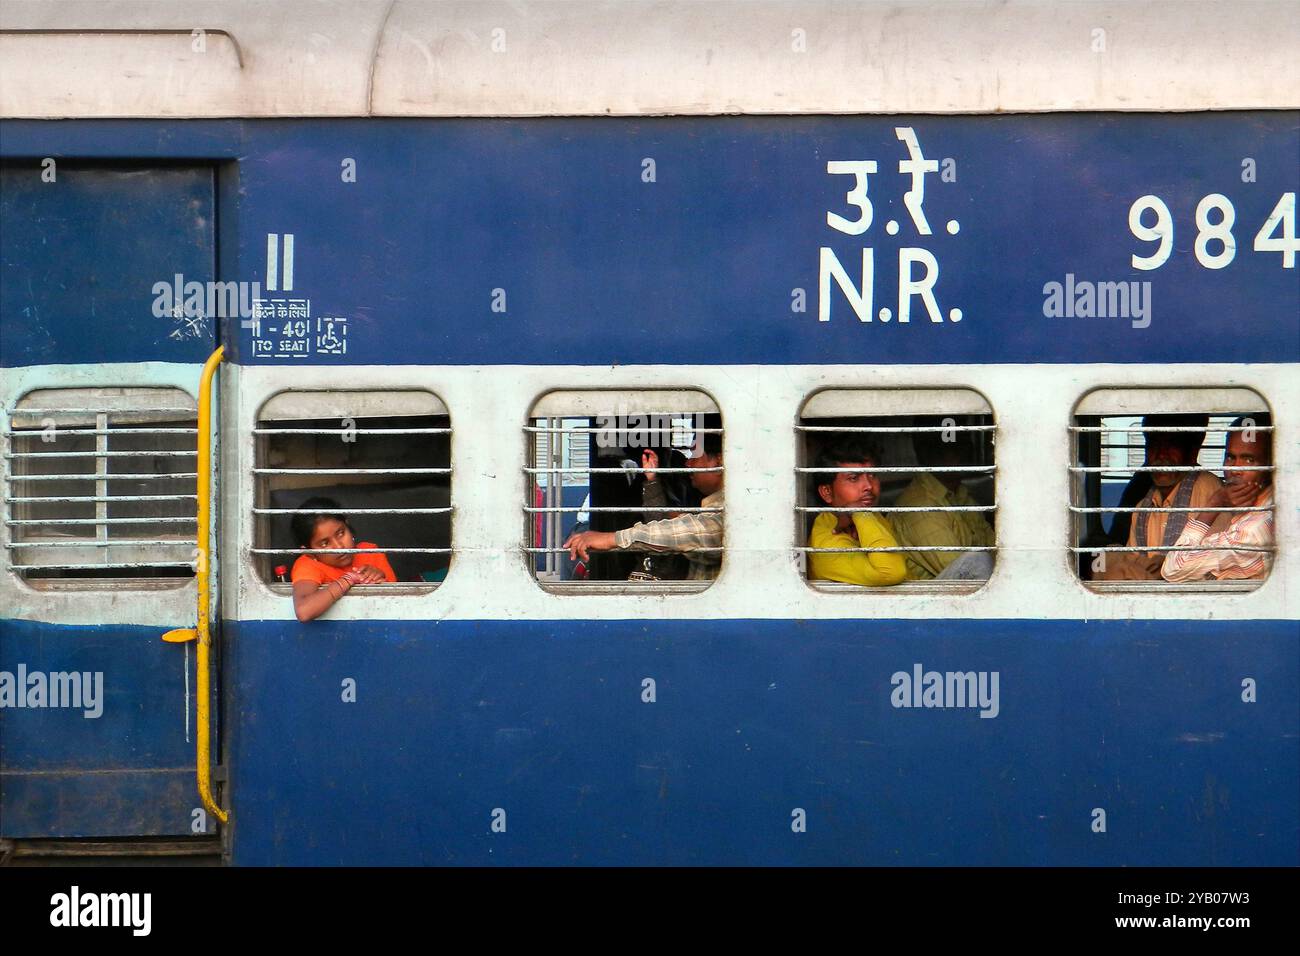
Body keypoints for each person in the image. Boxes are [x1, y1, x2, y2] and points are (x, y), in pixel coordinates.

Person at [562, 432, 724, 580]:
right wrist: (652, 482)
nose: (688, 463)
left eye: (695, 455)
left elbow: (683, 533)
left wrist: (610, 539)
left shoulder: (726, 517)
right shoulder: (709, 508)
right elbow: (666, 525)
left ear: (719, 461)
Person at [1097, 414, 1221, 580]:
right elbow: (1132, 559)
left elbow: (1213, 562)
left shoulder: (1207, 487)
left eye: (1171, 446)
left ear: (1190, 453)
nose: (1161, 455)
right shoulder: (1142, 506)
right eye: (1154, 445)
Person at [1162, 414, 1274, 582]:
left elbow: (1173, 569)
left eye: (1249, 460)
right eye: (1230, 457)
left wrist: (1215, 503)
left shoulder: (1251, 533)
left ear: (1270, 465)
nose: (1236, 469)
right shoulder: (1267, 509)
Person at [889, 428, 995, 580]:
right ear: (928, 455)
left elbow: (995, 546)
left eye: (963, 446)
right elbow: (968, 574)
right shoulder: (921, 507)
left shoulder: (959, 494)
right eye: (950, 449)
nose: (961, 455)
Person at [805, 438, 908, 586]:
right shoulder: (827, 544)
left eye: (872, 475)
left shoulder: (870, 515)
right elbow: (891, 572)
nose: (869, 486)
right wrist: (860, 514)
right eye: (854, 478)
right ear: (827, 492)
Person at [290, 497, 397, 621]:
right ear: (309, 552)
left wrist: (379, 579)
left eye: (341, 533)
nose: (339, 546)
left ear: (347, 524)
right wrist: (347, 580)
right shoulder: (308, 565)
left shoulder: (370, 551)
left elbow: (396, 604)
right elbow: (304, 611)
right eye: (325, 543)